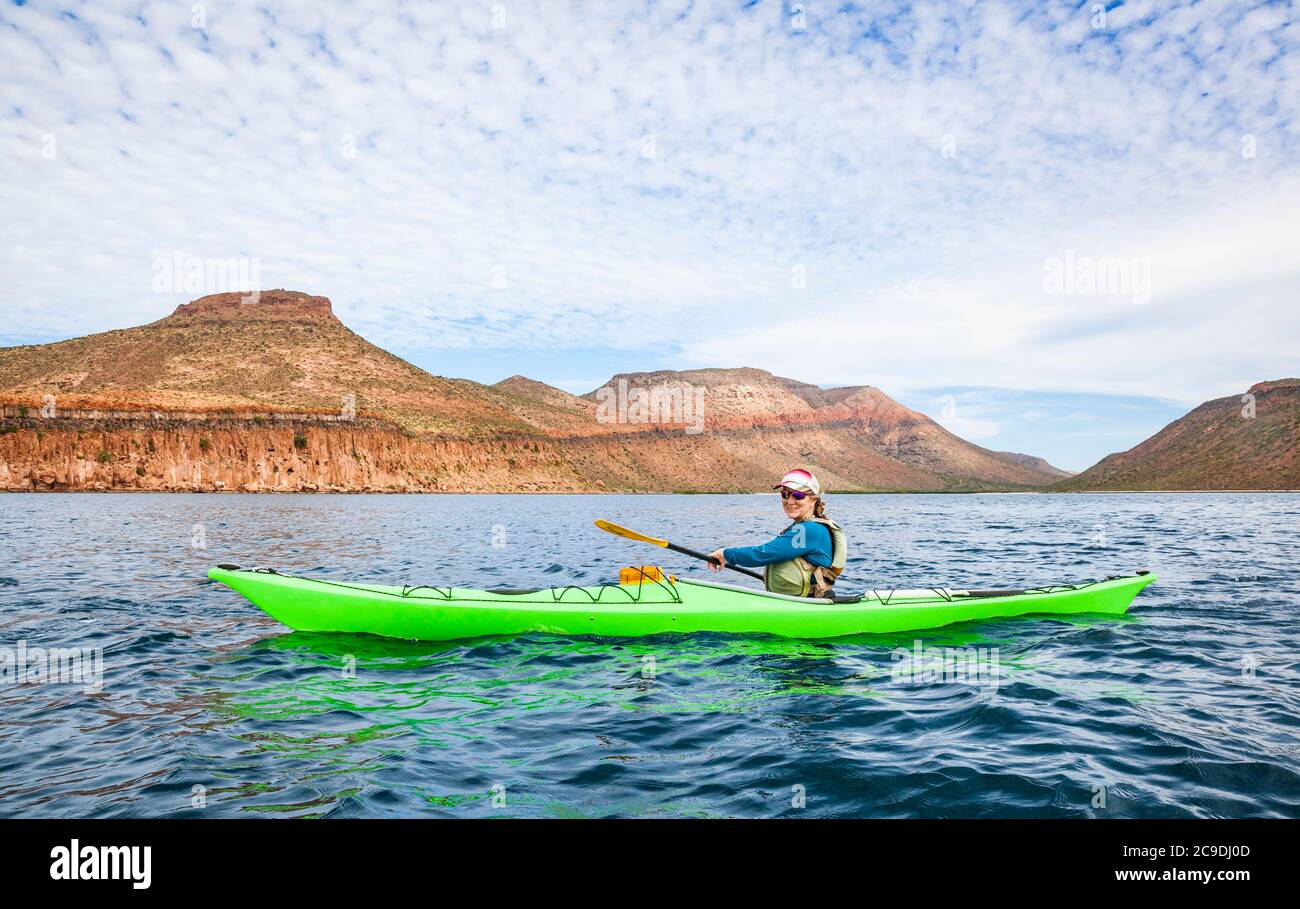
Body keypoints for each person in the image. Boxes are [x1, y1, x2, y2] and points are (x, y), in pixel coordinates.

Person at [708, 468, 848, 598]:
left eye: (798, 495)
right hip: (798, 602)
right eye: (785, 494)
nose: (789, 501)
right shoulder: (806, 527)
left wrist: (725, 554)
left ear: (813, 500)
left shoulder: (809, 530)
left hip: (806, 606)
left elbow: (762, 554)